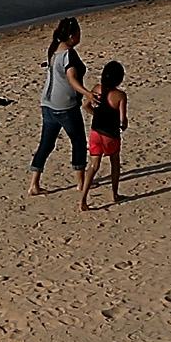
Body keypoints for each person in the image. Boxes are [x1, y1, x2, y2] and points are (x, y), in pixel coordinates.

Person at [28, 17, 87, 196]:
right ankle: (80, 182)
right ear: (71, 35)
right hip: (65, 105)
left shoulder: (53, 48)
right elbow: (71, 79)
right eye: (78, 33)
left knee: (46, 144)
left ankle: (34, 183)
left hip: (47, 103)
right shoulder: (68, 54)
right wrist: (87, 93)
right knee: (78, 141)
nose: (80, 36)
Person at [80, 59, 130, 209]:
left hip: (96, 131)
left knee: (93, 166)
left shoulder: (97, 88)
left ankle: (83, 199)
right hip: (110, 134)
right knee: (115, 163)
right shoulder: (120, 95)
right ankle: (115, 194)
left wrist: (96, 114)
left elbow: (86, 106)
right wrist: (123, 125)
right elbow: (123, 119)